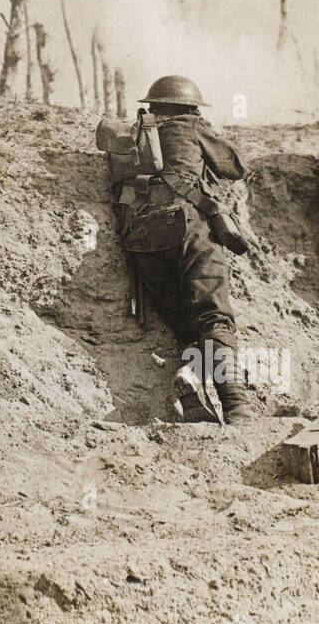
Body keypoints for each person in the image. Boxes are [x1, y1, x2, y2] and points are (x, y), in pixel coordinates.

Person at [99, 74, 253, 423]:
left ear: (152, 105)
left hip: (139, 239)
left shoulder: (133, 136)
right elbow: (235, 166)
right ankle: (237, 406)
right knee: (213, 316)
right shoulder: (189, 126)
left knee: (185, 324)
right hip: (187, 229)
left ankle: (191, 376)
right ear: (189, 106)